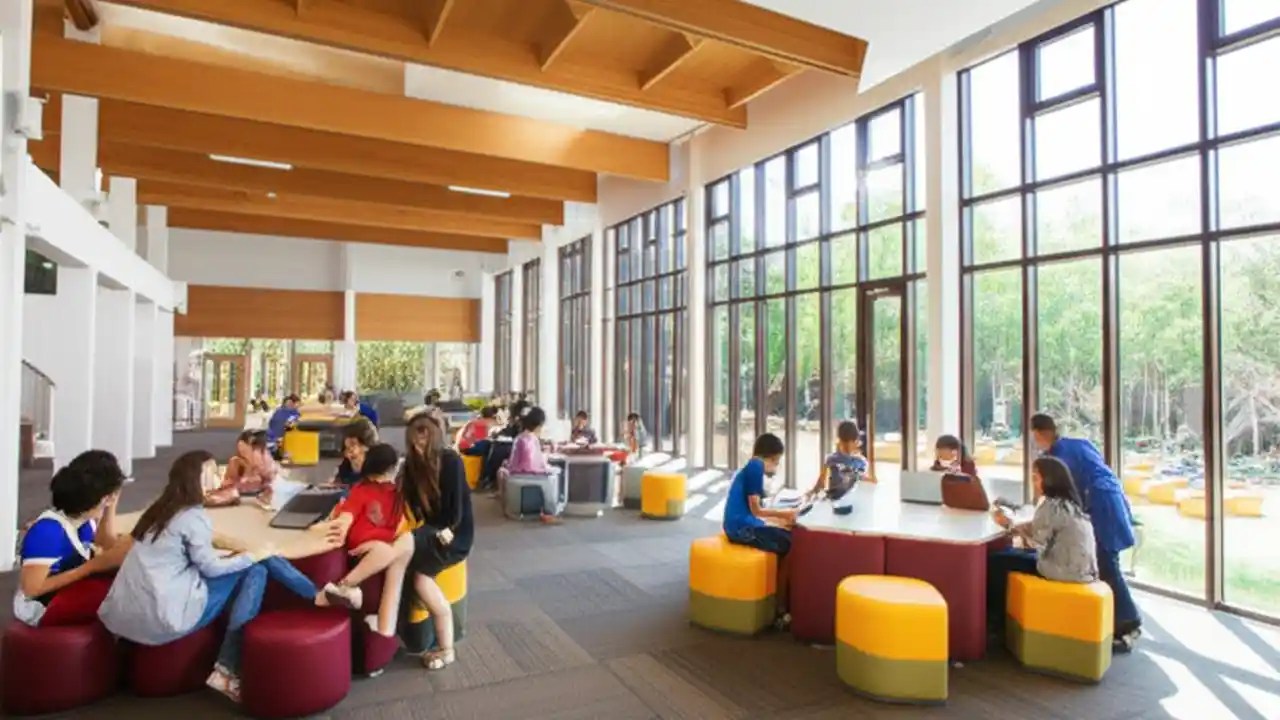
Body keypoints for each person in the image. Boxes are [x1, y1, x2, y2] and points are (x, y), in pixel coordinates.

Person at [97, 451, 325, 703]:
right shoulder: (193, 518)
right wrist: (253, 555)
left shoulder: (158, 511)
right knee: (257, 567)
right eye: (213, 471)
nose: (219, 474)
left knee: (256, 558)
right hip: (165, 618)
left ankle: (314, 594)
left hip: (121, 617)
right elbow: (212, 569)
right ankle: (228, 668)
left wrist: (241, 551)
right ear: (198, 478)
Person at [1029, 413, 1142, 651]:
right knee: (1107, 562)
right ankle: (1116, 621)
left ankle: (1127, 622)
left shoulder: (1058, 457)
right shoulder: (1079, 444)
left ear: (1038, 434)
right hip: (1113, 500)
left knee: (1106, 564)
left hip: (1099, 506)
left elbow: (1066, 491)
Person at [14, 452, 129, 626]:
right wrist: (90, 568)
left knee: (127, 580)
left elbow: (106, 541)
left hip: (68, 589)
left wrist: (110, 506)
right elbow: (31, 589)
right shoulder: (47, 531)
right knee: (120, 596)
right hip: (41, 607)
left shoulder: (83, 519)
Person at [987, 456, 1098, 630]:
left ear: (1049, 480)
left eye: (1036, 478)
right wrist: (1012, 526)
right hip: (1081, 568)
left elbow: (1034, 542)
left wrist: (1008, 524)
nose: (1033, 483)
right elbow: (1037, 529)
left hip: (1062, 570)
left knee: (995, 561)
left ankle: (996, 621)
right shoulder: (1069, 504)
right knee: (1010, 556)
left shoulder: (1051, 506)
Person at [399, 412, 474, 670]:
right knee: (401, 561)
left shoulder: (451, 461)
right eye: (415, 443)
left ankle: (446, 648)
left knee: (416, 572)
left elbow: (455, 515)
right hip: (430, 531)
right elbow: (412, 506)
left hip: (454, 534)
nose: (419, 447)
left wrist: (426, 536)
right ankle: (397, 630)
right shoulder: (410, 466)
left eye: (424, 441)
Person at [315, 444, 413, 638]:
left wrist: (342, 529)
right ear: (392, 468)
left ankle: (384, 627)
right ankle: (345, 586)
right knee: (399, 548)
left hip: (375, 544)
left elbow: (347, 517)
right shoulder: (372, 491)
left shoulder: (370, 490)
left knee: (403, 546)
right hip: (363, 547)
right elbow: (348, 517)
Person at [722, 433, 795, 628]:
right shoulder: (756, 467)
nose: (776, 467)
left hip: (741, 524)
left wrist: (778, 521)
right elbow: (757, 510)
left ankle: (778, 599)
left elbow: (755, 513)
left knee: (785, 536)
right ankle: (781, 607)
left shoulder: (750, 467)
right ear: (770, 457)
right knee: (791, 543)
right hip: (741, 528)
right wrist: (786, 515)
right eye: (777, 461)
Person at [808, 420, 873, 501]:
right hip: (849, 503)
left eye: (850, 442)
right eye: (847, 442)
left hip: (834, 501)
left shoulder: (832, 459)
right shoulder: (861, 462)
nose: (848, 445)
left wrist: (811, 494)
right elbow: (820, 484)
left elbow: (820, 484)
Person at [216, 430, 279, 503]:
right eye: (240, 446)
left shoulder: (264, 458)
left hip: (260, 499)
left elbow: (271, 480)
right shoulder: (235, 462)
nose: (242, 449)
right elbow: (227, 485)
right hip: (240, 500)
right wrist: (247, 471)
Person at [330, 418, 378, 489]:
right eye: (347, 449)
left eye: (353, 445)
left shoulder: (382, 476)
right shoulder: (343, 472)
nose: (348, 454)